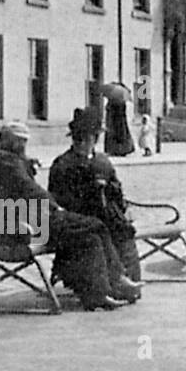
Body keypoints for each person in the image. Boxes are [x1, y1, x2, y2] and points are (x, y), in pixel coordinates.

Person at [0, 121, 138, 310]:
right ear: (6, 140)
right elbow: (30, 189)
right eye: (20, 142)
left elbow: (20, 185)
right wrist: (55, 207)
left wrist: (26, 164)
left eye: (24, 141)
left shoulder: (3, 158)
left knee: (89, 234)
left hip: (25, 219)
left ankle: (99, 293)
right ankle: (114, 280)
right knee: (93, 226)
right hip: (21, 227)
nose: (23, 146)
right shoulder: (5, 161)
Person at [49, 108, 143, 284]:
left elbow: (117, 191)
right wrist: (89, 190)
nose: (83, 143)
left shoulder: (102, 161)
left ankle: (129, 277)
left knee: (122, 229)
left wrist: (110, 191)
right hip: (81, 216)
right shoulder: (63, 163)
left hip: (107, 214)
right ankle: (113, 282)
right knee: (99, 231)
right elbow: (59, 198)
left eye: (88, 138)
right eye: (79, 138)